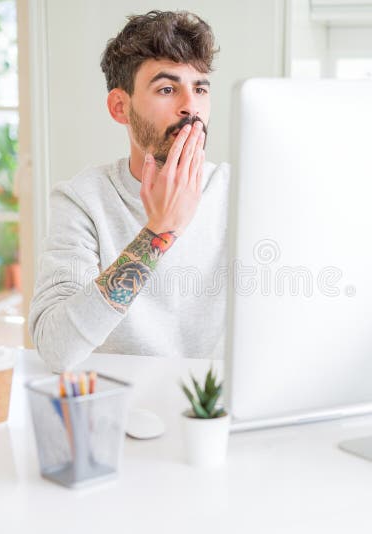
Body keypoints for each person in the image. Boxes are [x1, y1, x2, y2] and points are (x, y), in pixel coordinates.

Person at [29, 10, 230, 372]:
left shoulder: (236, 191)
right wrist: (159, 231)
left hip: (212, 402)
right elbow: (56, 348)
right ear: (120, 107)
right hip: (119, 398)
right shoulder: (82, 201)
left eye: (200, 88)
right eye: (167, 89)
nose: (191, 106)